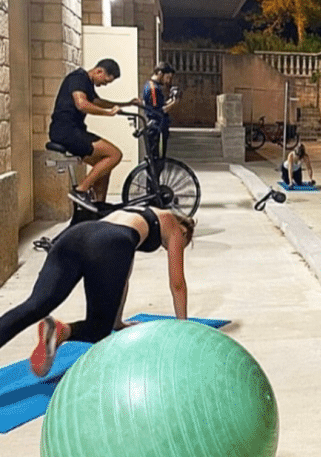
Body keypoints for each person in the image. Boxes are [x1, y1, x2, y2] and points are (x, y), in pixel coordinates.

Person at [0, 207, 195, 376]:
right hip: (108, 245)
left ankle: (54, 331)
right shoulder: (175, 227)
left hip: (76, 235)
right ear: (185, 231)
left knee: (35, 305)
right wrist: (183, 327)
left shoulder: (135, 215)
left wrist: (118, 323)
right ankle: (62, 330)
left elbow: (121, 277)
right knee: (99, 328)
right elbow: (177, 284)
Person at [48, 59, 140, 212]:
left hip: (73, 131)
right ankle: (81, 191)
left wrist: (126, 104)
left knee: (104, 166)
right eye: (105, 81)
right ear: (99, 71)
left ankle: (98, 207)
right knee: (115, 154)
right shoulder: (78, 78)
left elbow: (98, 102)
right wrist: (108, 114)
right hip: (66, 132)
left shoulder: (87, 83)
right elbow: (81, 104)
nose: (104, 85)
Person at [142, 61, 179, 162]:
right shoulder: (153, 88)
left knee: (156, 160)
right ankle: (154, 178)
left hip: (156, 126)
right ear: (160, 73)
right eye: (167, 77)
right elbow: (158, 110)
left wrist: (171, 100)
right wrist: (174, 103)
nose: (168, 81)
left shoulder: (151, 85)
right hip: (156, 127)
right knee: (157, 160)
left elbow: (159, 105)